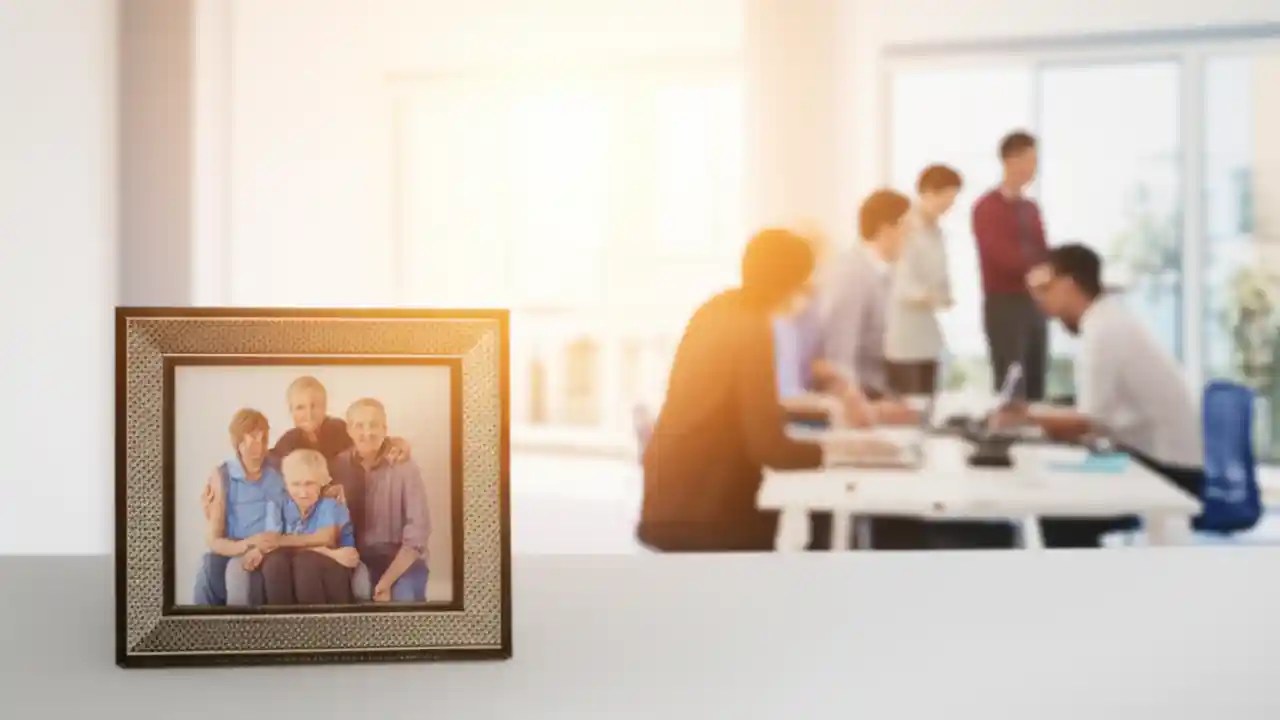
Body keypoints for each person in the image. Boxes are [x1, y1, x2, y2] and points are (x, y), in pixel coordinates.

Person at [993, 244, 1205, 547]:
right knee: (1056, 491)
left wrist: (1024, 415)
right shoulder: (1107, 319)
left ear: (1068, 286)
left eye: (1045, 289)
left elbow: (1090, 421)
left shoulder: (1103, 330)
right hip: (1148, 457)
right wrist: (1035, 416)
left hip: (1166, 471)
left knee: (1061, 515)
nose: (1039, 302)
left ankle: (1085, 590)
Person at [637, 229, 828, 551]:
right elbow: (769, 448)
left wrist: (814, 422)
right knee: (814, 531)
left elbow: (734, 406)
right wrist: (835, 454)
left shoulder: (716, 309)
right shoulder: (752, 329)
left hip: (671, 498)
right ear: (787, 281)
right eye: (802, 282)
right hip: (707, 514)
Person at [973, 131, 1049, 401]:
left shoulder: (1031, 208)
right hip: (1004, 305)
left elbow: (1043, 251)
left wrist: (1047, 273)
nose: (1033, 168)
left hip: (1036, 304)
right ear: (1009, 160)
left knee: (1037, 382)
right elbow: (1000, 255)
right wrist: (1036, 271)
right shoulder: (986, 207)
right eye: (1029, 160)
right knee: (1011, 385)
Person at [331, 398, 432, 602]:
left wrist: (386, 583)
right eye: (359, 425)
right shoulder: (338, 465)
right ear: (349, 430)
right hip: (358, 558)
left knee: (404, 599)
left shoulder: (404, 466)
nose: (367, 433)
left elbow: (418, 533)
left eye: (374, 425)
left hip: (401, 559)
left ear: (385, 429)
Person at [192, 408, 288, 606]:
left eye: (264, 440)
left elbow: (305, 485)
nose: (260, 449)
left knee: (259, 571)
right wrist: (246, 546)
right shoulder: (222, 475)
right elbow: (213, 539)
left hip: (272, 547)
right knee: (209, 568)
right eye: (253, 440)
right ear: (238, 443)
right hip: (234, 545)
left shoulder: (279, 470)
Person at [885, 165, 963, 395]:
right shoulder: (903, 226)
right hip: (902, 336)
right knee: (909, 405)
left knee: (927, 403)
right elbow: (901, 280)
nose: (949, 205)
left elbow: (940, 276)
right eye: (947, 197)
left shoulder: (937, 231)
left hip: (927, 337)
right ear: (928, 192)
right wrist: (930, 296)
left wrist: (944, 295)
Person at [259, 449, 359, 605]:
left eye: (309, 483)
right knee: (275, 562)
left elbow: (325, 539)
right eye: (296, 484)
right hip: (320, 558)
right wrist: (326, 551)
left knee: (306, 562)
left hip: (334, 567)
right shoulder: (278, 504)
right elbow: (271, 544)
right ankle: (280, 623)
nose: (303, 492)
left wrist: (280, 541)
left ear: (321, 482)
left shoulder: (330, 505)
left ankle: (314, 626)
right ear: (286, 484)